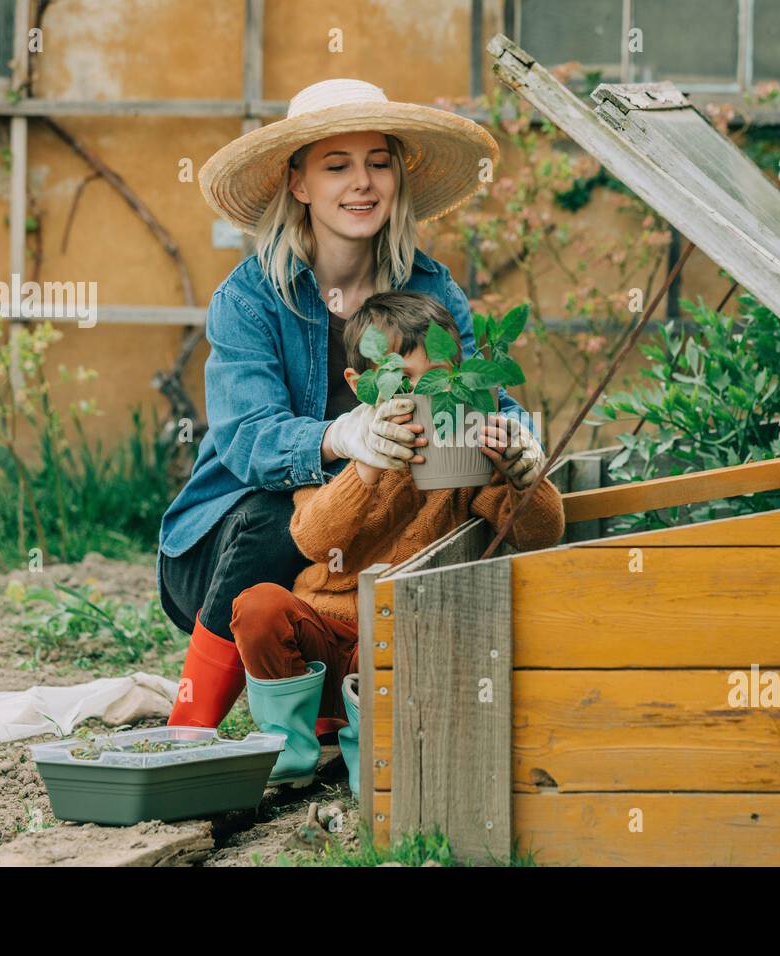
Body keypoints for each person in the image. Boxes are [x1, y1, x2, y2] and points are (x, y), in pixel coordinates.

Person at [157, 78, 545, 737]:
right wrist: (344, 433)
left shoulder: (431, 288)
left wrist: (521, 440)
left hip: (362, 550)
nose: (361, 183)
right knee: (275, 509)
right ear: (300, 183)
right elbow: (248, 440)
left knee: (449, 489)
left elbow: (479, 397)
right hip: (230, 549)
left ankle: (341, 715)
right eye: (337, 165)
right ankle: (187, 732)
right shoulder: (251, 297)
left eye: (378, 163)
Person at [231, 291, 564, 789]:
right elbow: (314, 537)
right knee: (258, 607)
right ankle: (291, 748)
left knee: (398, 632)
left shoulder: (464, 460)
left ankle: (374, 753)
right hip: (324, 636)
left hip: (396, 644)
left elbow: (541, 533)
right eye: (405, 381)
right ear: (362, 386)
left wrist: (523, 478)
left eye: (442, 377)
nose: (429, 396)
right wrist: (365, 466)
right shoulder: (341, 451)